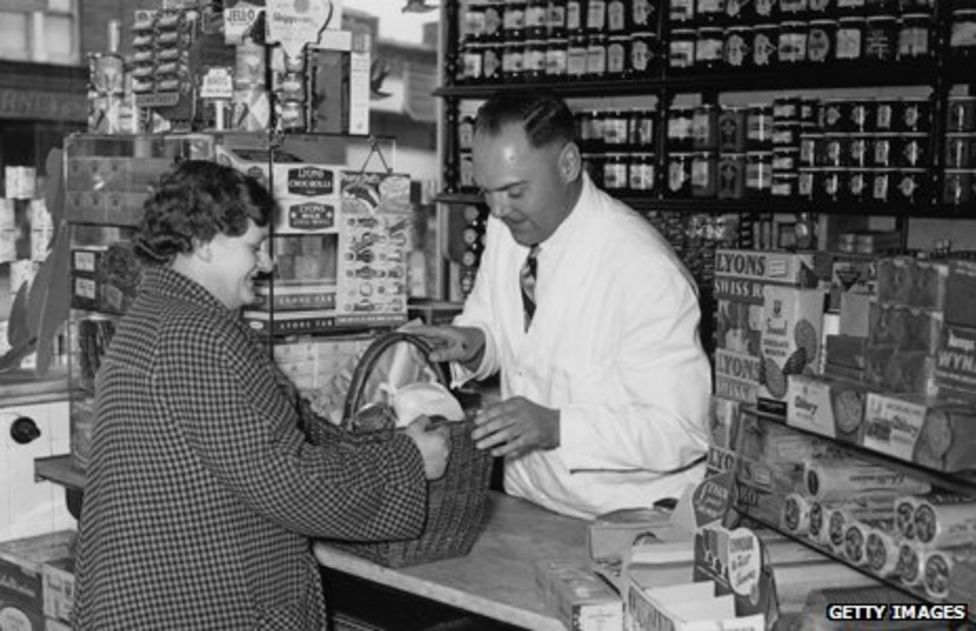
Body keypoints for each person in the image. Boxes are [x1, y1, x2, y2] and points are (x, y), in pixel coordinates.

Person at [73, 160, 450, 630]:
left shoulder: (161, 315)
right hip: (192, 609)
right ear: (204, 243)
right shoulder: (194, 336)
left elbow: (263, 447)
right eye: (254, 247)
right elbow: (284, 481)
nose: (266, 263)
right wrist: (409, 460)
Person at [413, 93, 711, 520]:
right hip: (531, 500)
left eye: (514, 190)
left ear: (568, 165)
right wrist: (473, 342)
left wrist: (556, 427)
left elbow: (683, 430)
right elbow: (502, 327)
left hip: (629, 519)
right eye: (486, 191)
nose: (496, 209)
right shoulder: (510, 227)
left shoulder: (646, 271)